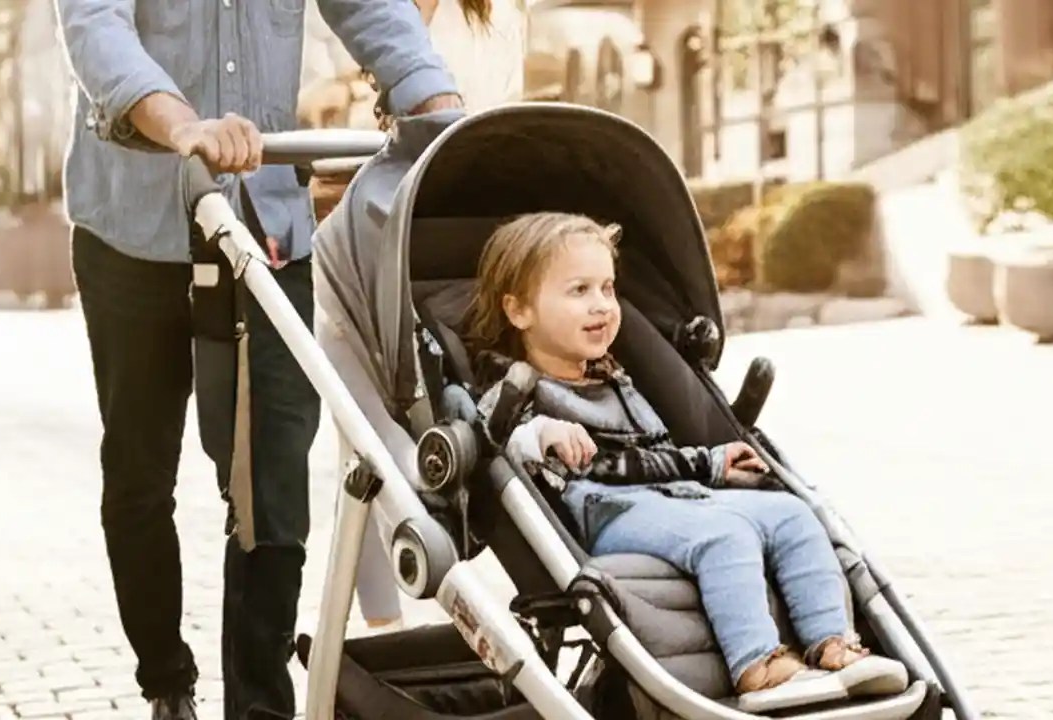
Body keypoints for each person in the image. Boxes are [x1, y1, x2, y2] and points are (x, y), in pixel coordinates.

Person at [52, 1, 462, 718]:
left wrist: (437, 102)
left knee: (272, 489)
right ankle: (167, 680)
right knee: (140, 479)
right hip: (132, 234)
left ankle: (259, 706)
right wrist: (184, 125)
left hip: (265, 228)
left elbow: (372, 9)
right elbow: (96, 29)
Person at [462, 212, 908, 705]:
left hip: (671, 498)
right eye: (579, 290)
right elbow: (497, 437)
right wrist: (543, 432)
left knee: (792, 515)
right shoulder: (512, 388)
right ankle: (757, 665)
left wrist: (713, 463)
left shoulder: (615, 380)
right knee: (725, 535)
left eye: (608, 289)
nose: (601, 306)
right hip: (608, 515)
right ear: (519, 311)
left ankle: (833, 644)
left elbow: (657, 454)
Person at [305, 0, 527, 633]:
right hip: (448, 230)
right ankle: (392, 621)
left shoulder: (417, 17)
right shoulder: (499, 15)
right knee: (381, 435)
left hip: (394, 227)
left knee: (366, 443)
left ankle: (388, 625)